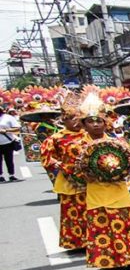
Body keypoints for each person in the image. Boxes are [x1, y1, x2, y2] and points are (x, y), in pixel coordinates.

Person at [76, 92, 130, 270]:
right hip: (96, 192)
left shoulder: (118, 142)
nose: (95, 124)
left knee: (126, 224)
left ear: (105, 123)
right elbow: (77, 172)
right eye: (90, 121)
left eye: (99, 121)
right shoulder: (79, 145)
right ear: (84, 124)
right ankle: (108, 263)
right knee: (103, 228)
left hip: (118, 191)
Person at [40, 105, 89, 250]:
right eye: (71, 118)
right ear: (64, 120)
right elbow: (47, 158)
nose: (76, 122)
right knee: (73, 212)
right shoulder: (56, 138)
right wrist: (58, 164)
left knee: (92, 210)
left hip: (91, 179)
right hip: (69, 180)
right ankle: (77, 243)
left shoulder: (89, 134)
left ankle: (93, 240)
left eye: (78, 118)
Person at [0, 107, 21, 182]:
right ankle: (0, 176)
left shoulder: (8, 117)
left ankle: (11, 175)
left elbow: (17, 128)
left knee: (9, 159)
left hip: (8, 142)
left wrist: (6, 130)